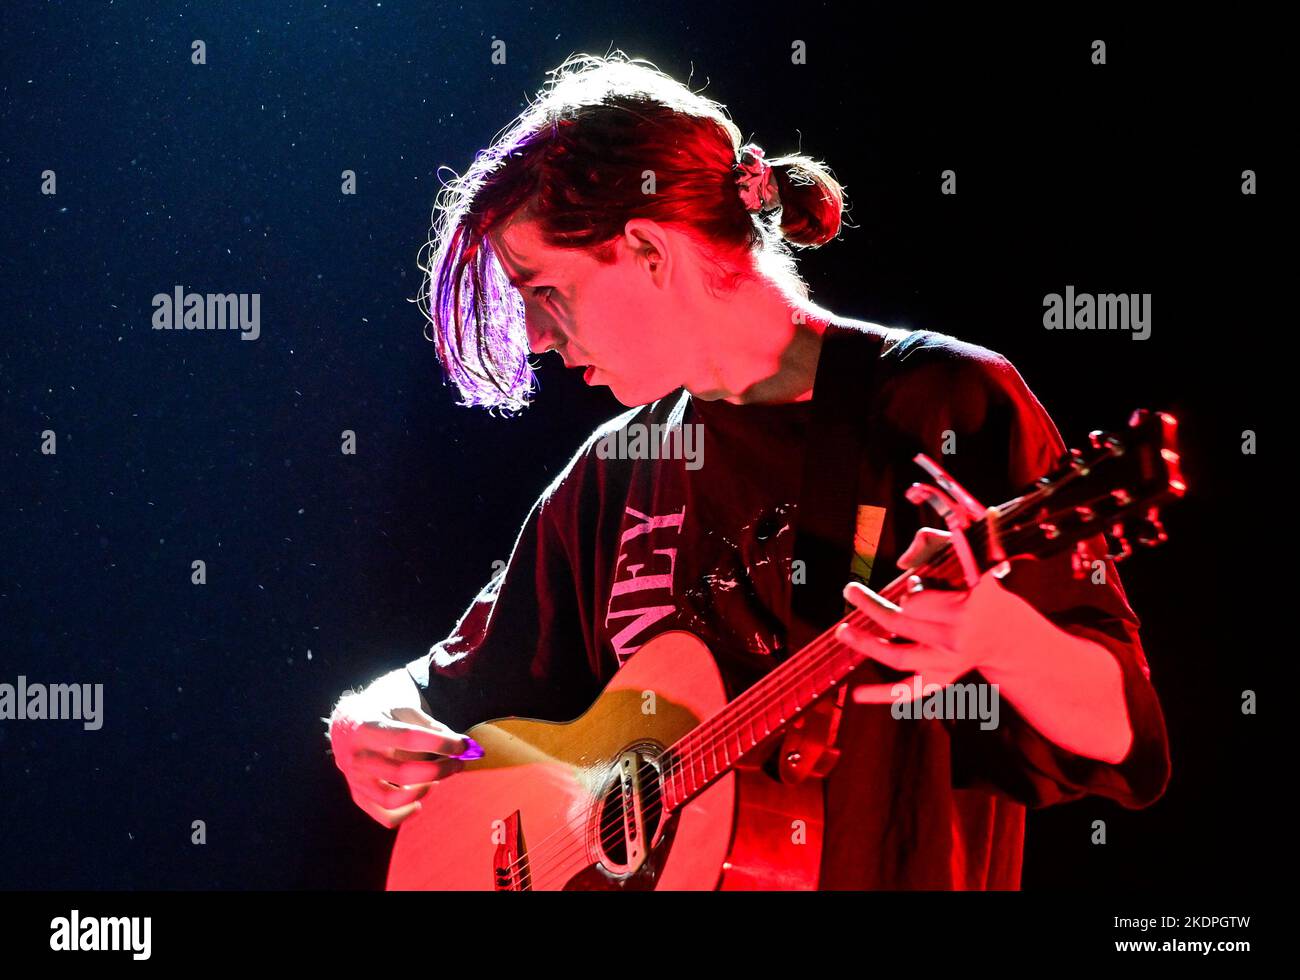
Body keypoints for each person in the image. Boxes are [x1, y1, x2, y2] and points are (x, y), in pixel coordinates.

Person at [326, 52, 1170, 889]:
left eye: (544, 289)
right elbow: (450, 702)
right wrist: (365, 719)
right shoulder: (616, 470)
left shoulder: (939, 404)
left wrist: (998, 637)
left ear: (649, 249)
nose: (540, 337)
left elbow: (1127, 736)